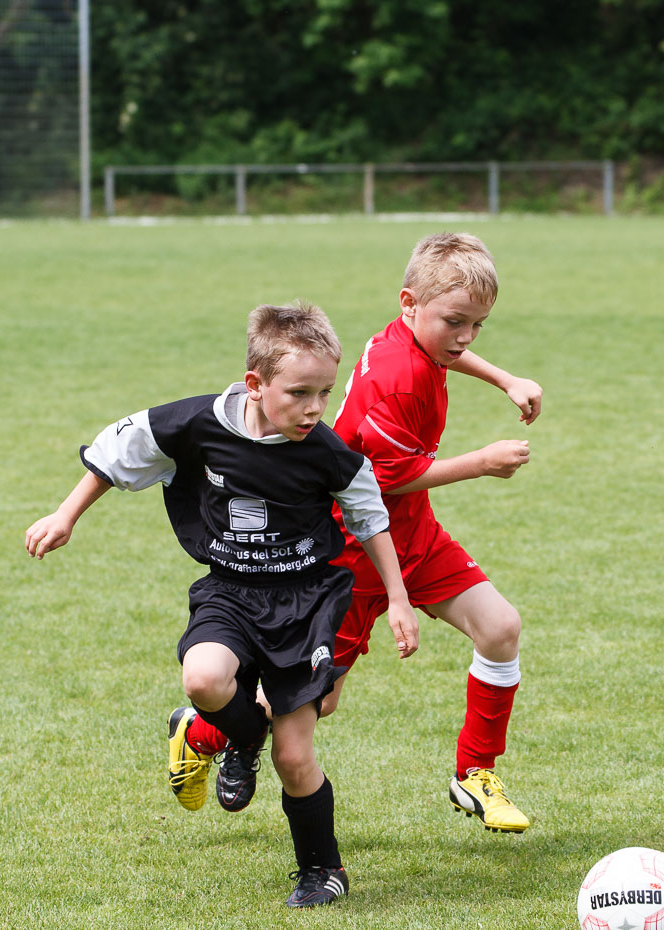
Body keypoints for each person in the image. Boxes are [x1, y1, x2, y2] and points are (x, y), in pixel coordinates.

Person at [24, 301, 419, 909]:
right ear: (256, 385)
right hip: (230, 591)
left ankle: (322, 870)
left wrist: (397, 598)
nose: (315, 408)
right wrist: (65, 513)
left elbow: (370, 517)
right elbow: (118, 449)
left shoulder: (328, 451)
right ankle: (243, 733)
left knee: (296, 754)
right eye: (300, 393)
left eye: (325, 392)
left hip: (307, 600)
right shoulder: (197, 424)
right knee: (203, 678)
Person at [184, 232, 543, 833]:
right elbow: (389, 481)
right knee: (313, 701)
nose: (466, 337)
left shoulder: (413, 335)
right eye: (457, 322)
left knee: (500, 627)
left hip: (415, 538)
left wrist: (505, 379)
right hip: (351, 553)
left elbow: (445, 350)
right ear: (410, 303)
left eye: (477, 324)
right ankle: (199, 730)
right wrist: (482, 461)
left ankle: (474, 771)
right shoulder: (398, 378)